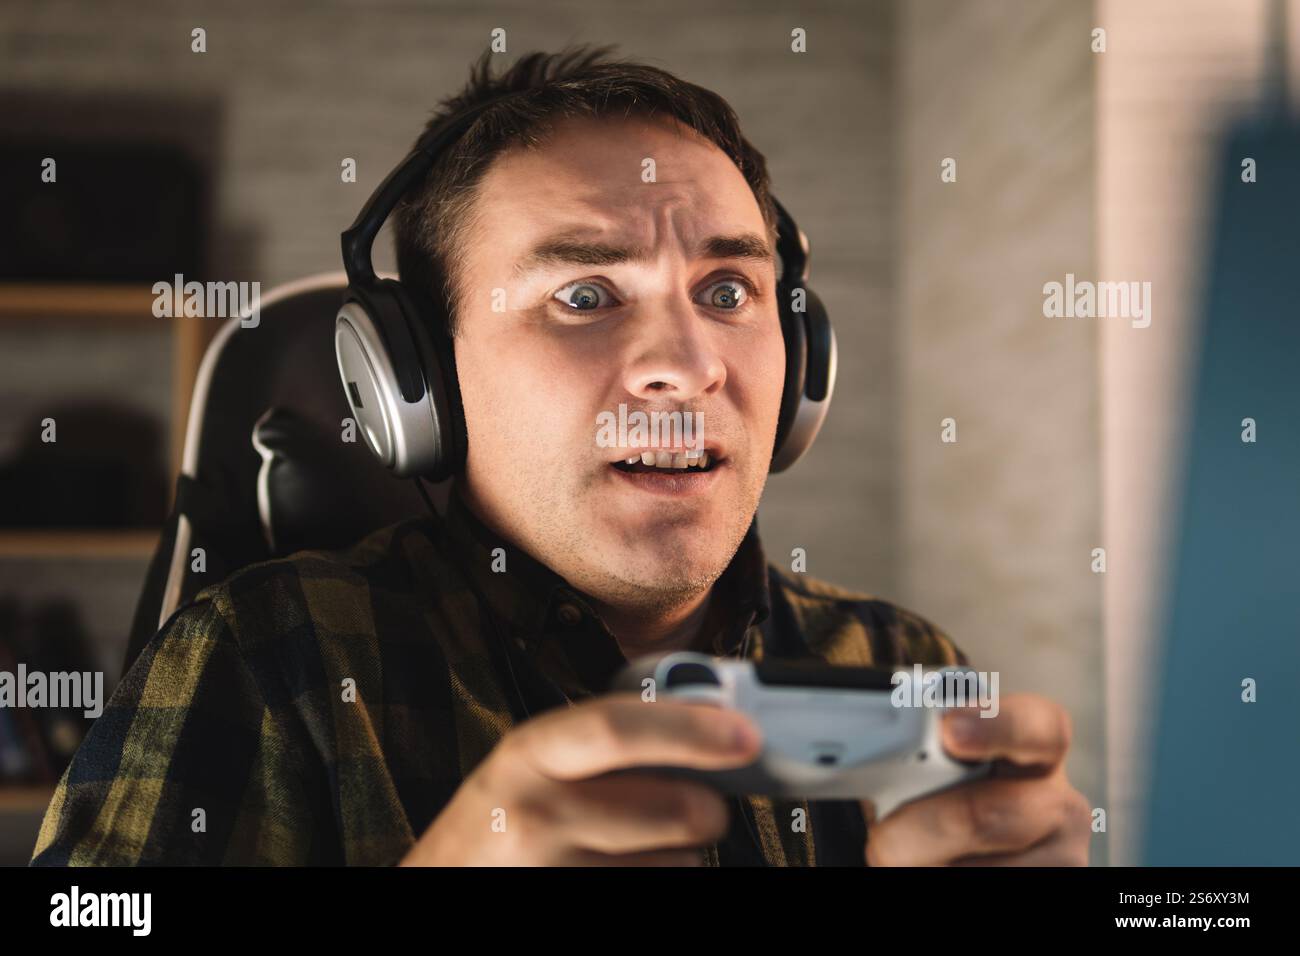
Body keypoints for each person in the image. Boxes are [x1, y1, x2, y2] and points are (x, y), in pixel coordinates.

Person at [31, 47, 1090, 867]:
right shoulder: (268, 658)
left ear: (802, 357)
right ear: (419, 383)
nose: (684, 366)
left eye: (727, 292)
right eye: (583, 297)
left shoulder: (899, 663)